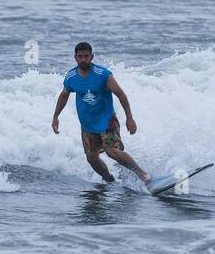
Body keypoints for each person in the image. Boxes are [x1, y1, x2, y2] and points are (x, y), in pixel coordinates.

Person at [51, 42, 152, 185]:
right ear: (75, 57)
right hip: (87, 125)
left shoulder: (103, 74)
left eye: (86, 56)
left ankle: (142, 174)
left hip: (107, 121)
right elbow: (63, 96)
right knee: (91, 158)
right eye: (80, 57)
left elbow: (120, 94)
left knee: (111, 152)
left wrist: (130, 118)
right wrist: (56, 117)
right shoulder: (71, 76)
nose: (83, 59)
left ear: (92, 57)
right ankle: (110, 180)